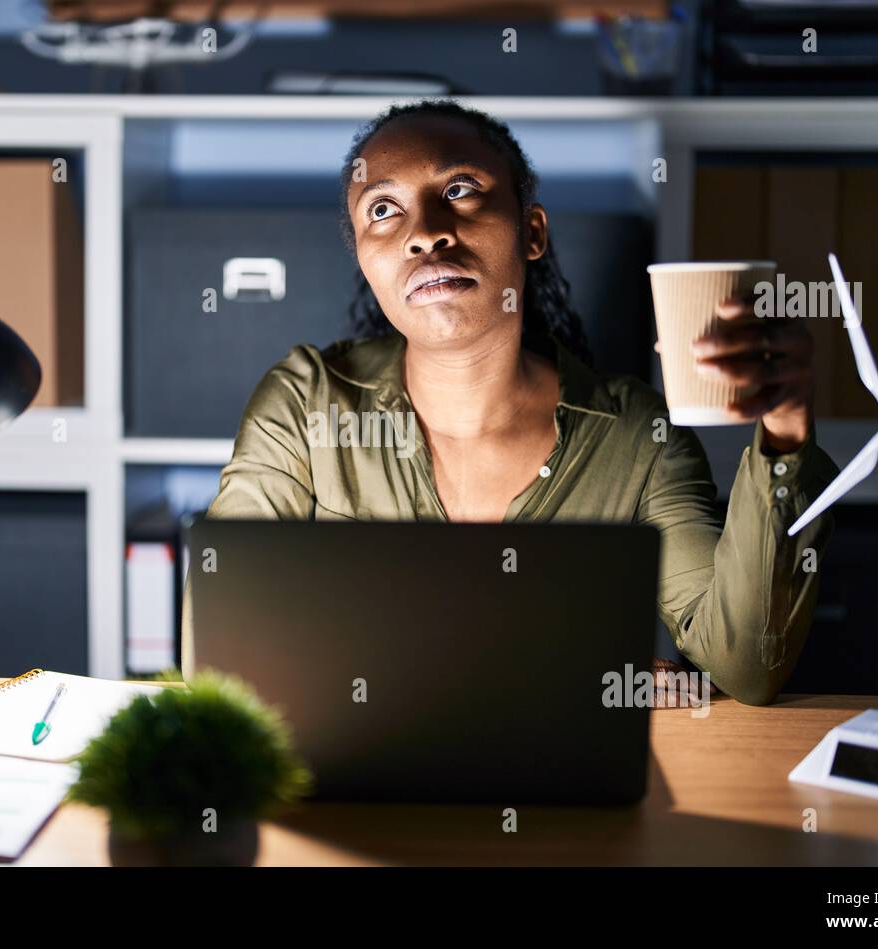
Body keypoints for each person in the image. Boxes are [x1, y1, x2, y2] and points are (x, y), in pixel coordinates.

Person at [181, 99, 841, 705]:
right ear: (364, 256)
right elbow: (218, 657)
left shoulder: (637, 436)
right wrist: (576, 673)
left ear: (531, 232)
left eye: (460, 191)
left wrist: (784, 434)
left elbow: (748, 666)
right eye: (383, 210)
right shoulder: (303, 406)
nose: (425, 233)